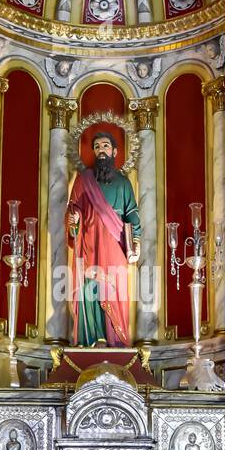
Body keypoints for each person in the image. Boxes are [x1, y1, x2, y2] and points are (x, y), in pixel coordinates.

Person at [66, 131, 141, 346]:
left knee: (114, 291)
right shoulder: (84, 180)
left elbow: (132, 214)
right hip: (89, 245)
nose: (101, 150)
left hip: (115, 247)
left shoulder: (124, 183)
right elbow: (73, 209)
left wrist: (135, 241)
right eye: (97, 146)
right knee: (90, 290)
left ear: (114, 151)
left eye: (106, 146)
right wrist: (74, 219)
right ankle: (91, 339)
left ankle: (115, 341)